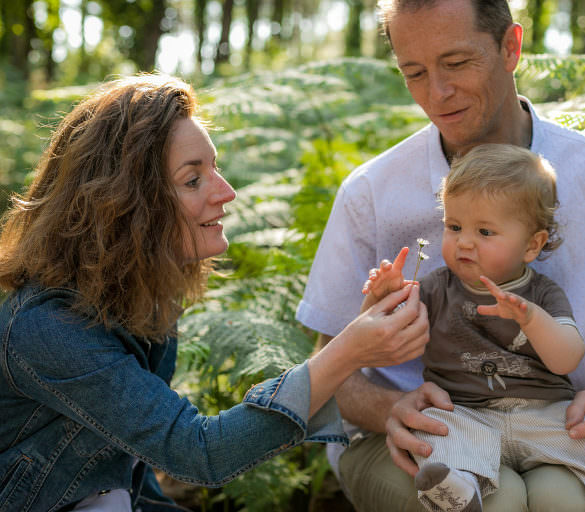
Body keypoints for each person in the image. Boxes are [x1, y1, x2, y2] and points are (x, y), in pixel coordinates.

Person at [295, 0, 585, 510]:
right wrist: (390, 407)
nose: (437, 93)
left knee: (562, 500)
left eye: (456, 63)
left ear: (510, 47)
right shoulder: (372, 191)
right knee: (500, 502)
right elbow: (328, 366)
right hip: (415, 437)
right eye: (414, 73)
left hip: (549, 426)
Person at [0, 74, 429, 512]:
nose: (226, 192)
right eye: (193, 180)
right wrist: (348, 351)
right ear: (123, 202)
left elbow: (129, 469)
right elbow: (199, 451)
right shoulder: (47, 330)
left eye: (215, 168)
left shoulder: (139, 299)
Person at [360, 144, 585, 512]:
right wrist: (381, 297)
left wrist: (531, 319)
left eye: (484, 231)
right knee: (434, 425)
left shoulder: (542, 293)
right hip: (467, 413)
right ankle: (459, 492)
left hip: (543, 414)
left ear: (532, 245)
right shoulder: (435, 288)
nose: (464, 241)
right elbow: (384, 335)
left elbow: (567, 359)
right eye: (454, 226)